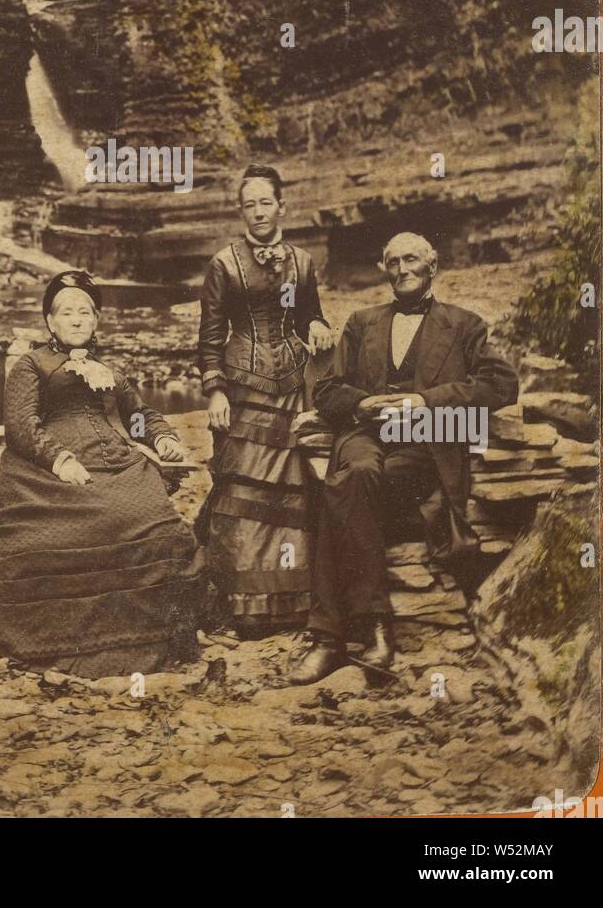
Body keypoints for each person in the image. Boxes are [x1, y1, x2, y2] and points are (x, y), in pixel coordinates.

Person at [289, 231, 519, 684]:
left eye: (411, 260)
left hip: (425, 441)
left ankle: (330, 639)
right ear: (384, 270)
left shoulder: (464, 324)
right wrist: (363, 404)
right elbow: (328, 390)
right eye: (392, 262)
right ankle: (374, 632)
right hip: (365, 433)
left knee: (345, 489)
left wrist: (426, 401)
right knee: (352, 473)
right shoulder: (361, 321)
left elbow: (501, 384)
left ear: (432, 266)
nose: (402, 270)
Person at [0, 269, 204, 678]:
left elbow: (140, 416)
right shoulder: (32, 364)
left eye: (85, 312)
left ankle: (155, 638)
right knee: (87, 527)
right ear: (50, 321)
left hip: (116, 463)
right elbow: (20, 424)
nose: (78, 320)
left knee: (160, 529)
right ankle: (61, 643)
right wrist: (60, 459)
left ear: (97, 319)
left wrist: (163, 439)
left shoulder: (108, 372)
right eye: (67, 313)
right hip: (49, 466)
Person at [196, 164, 335, 639]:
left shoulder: (303, 262)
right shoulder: (223, 264)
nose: (258, 211)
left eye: (265, 202)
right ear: (242, 210)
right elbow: (210, 336)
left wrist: (316, 325)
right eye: (249, 204)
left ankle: (293, 603)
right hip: (243, 385)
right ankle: (244, 606)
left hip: (295, 385)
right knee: (244, 493)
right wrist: (215, 390)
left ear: (281, 206)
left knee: (294, 492)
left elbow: (307, 315)